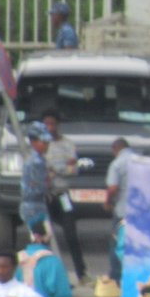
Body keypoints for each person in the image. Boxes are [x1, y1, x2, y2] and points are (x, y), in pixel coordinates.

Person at [42, 110, 88, 285]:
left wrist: (56, 169)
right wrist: (60, 168)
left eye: (52, 124)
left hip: (63, 196)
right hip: (46, 197)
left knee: (71, 234)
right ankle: (47, 277)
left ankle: (81, 273)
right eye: (46, 124)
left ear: (58, 125)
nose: (49, 127)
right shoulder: (40, 145)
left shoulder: (68, 144)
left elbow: (73, 170)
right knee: (45, 237)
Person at [18, 122, 53, 251]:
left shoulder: (39, 160)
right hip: (33, 207)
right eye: (43, 142)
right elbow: (39, 187)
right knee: (40, 242)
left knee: (43, 240)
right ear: (33, 141)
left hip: (37, 205)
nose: (47, 145)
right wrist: (46, 184)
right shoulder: (36, 162)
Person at [104, 139, 133, 283]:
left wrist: (107, 202)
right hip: (138, 212)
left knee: (117, 244)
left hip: (122, 210)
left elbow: (113, 188)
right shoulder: (139, 161)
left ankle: (116, 277)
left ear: (115, 149)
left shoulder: (117, 164)